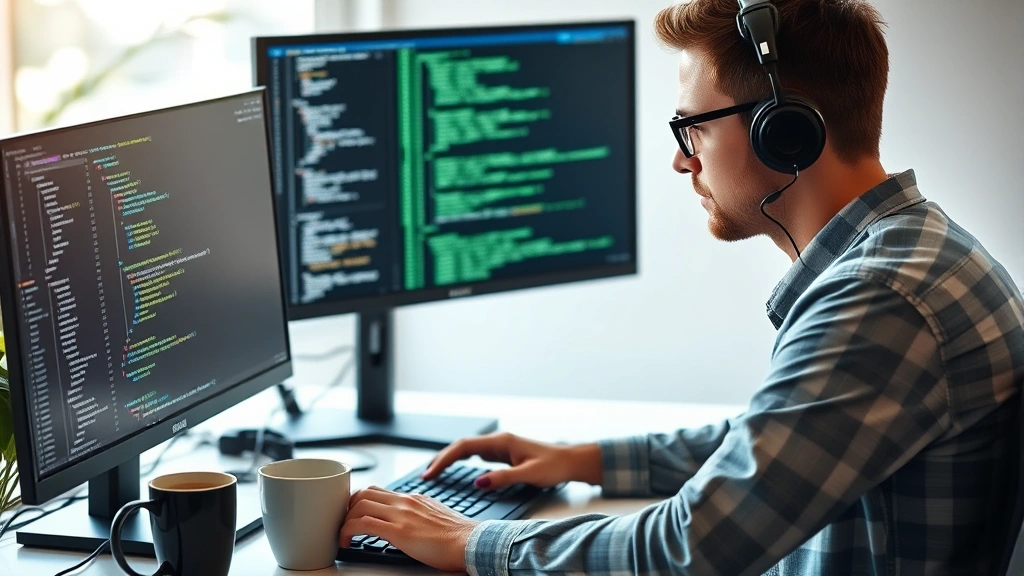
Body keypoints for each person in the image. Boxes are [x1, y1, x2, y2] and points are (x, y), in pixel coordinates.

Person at [338, 0, 1024, 573]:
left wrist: (469, 541)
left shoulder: (881, 298)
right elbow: (779, 443)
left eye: (690, 126)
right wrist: (584, 459)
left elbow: (690, 550)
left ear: (784, 132)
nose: (679, 159)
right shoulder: (918, 250)